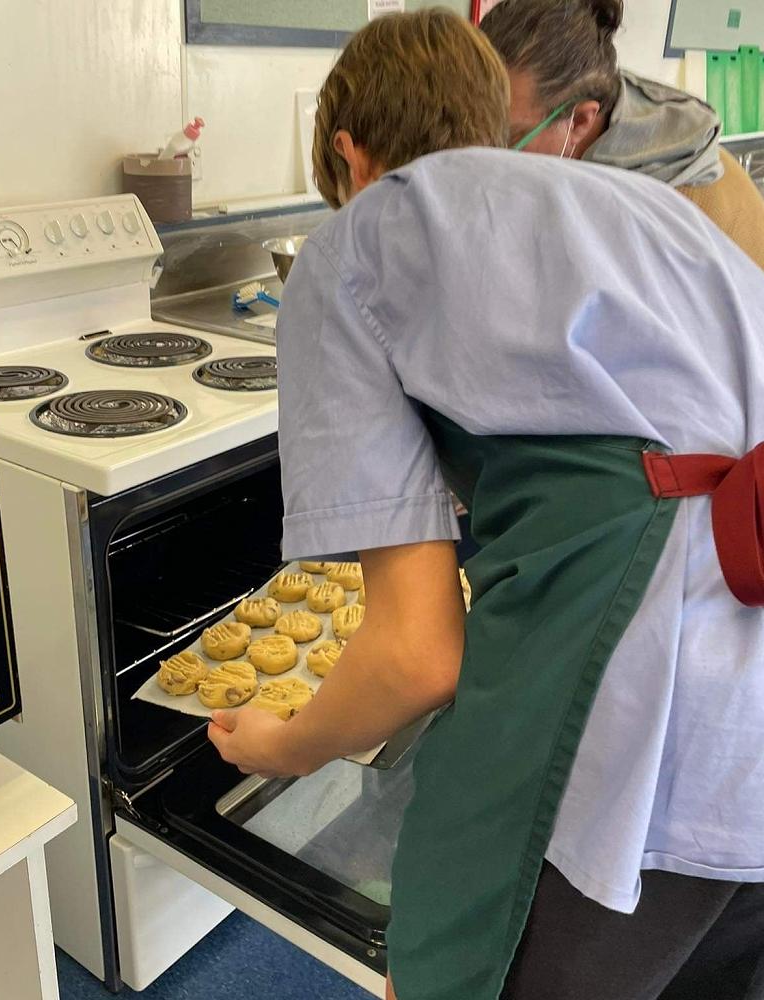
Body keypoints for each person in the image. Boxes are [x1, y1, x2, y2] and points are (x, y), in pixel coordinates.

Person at [207, 9, 764, 1000]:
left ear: (347, 153)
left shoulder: (355, 244)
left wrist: (283, 744)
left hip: (638, 711)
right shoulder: (652, 209)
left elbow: (418, 654)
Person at [481, 0, 764, 269]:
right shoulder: (595, 95)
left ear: (580, 120)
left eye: (509, 137)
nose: (484, 148)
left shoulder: (667, 215)